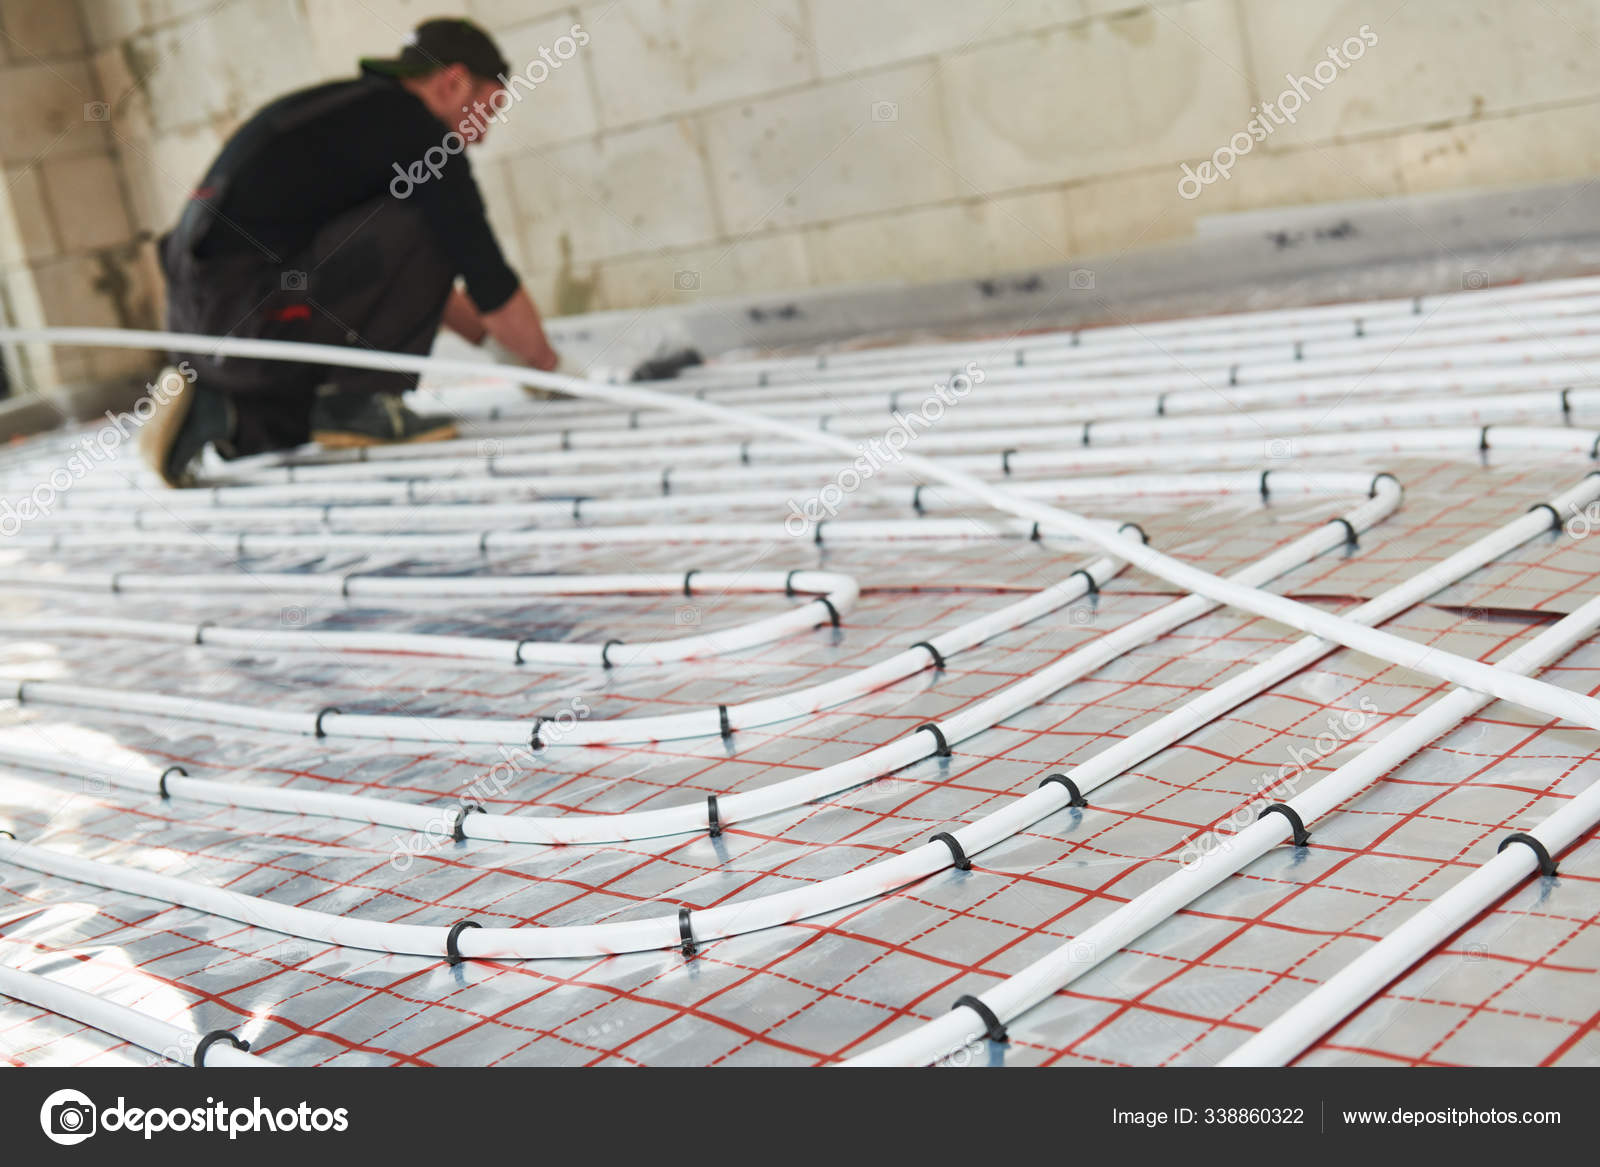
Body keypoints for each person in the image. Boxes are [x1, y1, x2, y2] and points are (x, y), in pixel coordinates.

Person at [141, 17, 560, 487]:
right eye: (489, 108)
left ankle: (225, 413)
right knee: (435, 217)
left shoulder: (354, 115)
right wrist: (549, 367)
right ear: (454, 82)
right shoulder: (424, 139)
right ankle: (363, 402)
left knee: (299, 427)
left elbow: (404, 283)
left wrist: (499, 346)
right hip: (250, 312)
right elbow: (486, 276)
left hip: (202, 321)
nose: (482, 135)